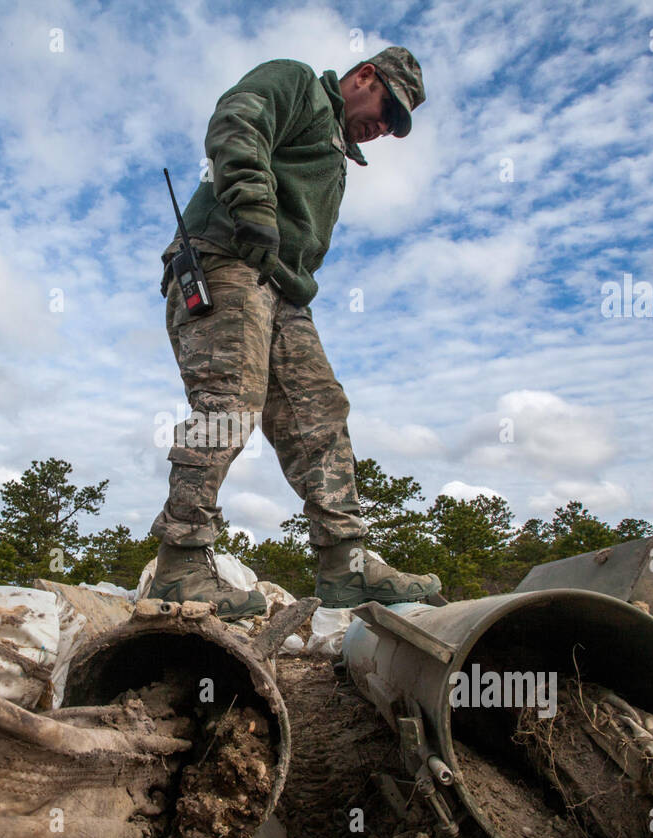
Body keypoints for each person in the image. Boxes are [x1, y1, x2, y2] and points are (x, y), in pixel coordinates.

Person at [149, 46, 441, 620]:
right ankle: (179, 565)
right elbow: (238, 118)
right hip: (226, 258)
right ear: (364, 77)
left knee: (321, 417)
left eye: (394, 126)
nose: (383, 128)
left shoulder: (336, 153)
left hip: (282, 288)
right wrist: (253, 203)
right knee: (228, 404)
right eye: (387, 109)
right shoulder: (300, 84)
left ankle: (346, 567)